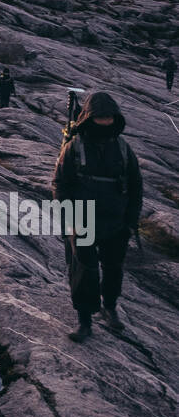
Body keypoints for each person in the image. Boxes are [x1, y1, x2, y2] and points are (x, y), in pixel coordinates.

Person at [51, 90, 143, 343]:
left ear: (115, 118)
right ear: (89, 118)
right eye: (99, 117)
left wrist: (131, 220)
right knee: (84, 270)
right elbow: (60, 183)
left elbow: (136, 185)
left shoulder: (124, 150)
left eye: (108, 117)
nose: (104, 121)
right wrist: (70, 216)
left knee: (113, 269)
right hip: (83, 220)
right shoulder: (74, 147)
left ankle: (109, 307)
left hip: (116, 221)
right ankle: (84, 320)